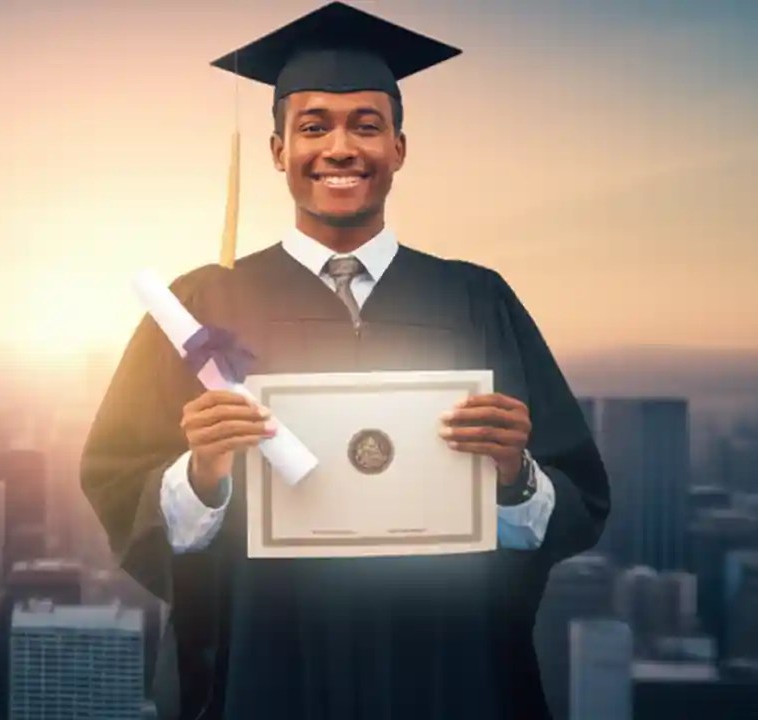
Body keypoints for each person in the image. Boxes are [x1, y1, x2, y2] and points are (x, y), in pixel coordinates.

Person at [80, 3, 611, 719]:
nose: (339, 148)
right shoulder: (202, 302)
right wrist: (202, 473)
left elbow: (570, 504)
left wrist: (514, 476)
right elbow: (123, 493)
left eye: (366, 125)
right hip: (269, 665)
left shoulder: (477, 298)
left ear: (398, 147)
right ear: (276, 151)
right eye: (313, 126)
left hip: (444, 668)